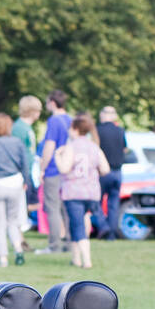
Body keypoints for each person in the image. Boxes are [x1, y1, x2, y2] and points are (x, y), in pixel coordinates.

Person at [54, 112, 109, 270]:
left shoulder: (72, 147)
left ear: (75, 129)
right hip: (91, 192)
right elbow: (105, 169)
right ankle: (75, 258)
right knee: (80, 221)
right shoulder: (94, 147)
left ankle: (86, 260)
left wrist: (58, 156)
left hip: (73, 192)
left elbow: (64, 168)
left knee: (76, 225)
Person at [0, 113, 33, 267]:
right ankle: (18, 249)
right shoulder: (17, 143)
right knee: (13, 220)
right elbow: (25, 165)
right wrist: (26, 181)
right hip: (15, 182)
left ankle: (3, 257)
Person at [36, 90, 72, 254]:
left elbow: (49, 146)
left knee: (53, 208)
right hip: (68, 169)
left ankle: (54, 245)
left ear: (52, 102)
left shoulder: (54, 121)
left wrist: (42, 168)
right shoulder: (71, 120)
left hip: (53, 169)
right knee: (67, 209)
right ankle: (71, 243)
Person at [90, 105, 127, 239]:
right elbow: (124, 149)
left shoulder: (97, 131)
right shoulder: (120, 131)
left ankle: (102, 226)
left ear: (102, 115)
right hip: (117, 172)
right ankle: (111, 234)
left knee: (95, 202)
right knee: (113, 204)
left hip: (102, 172)